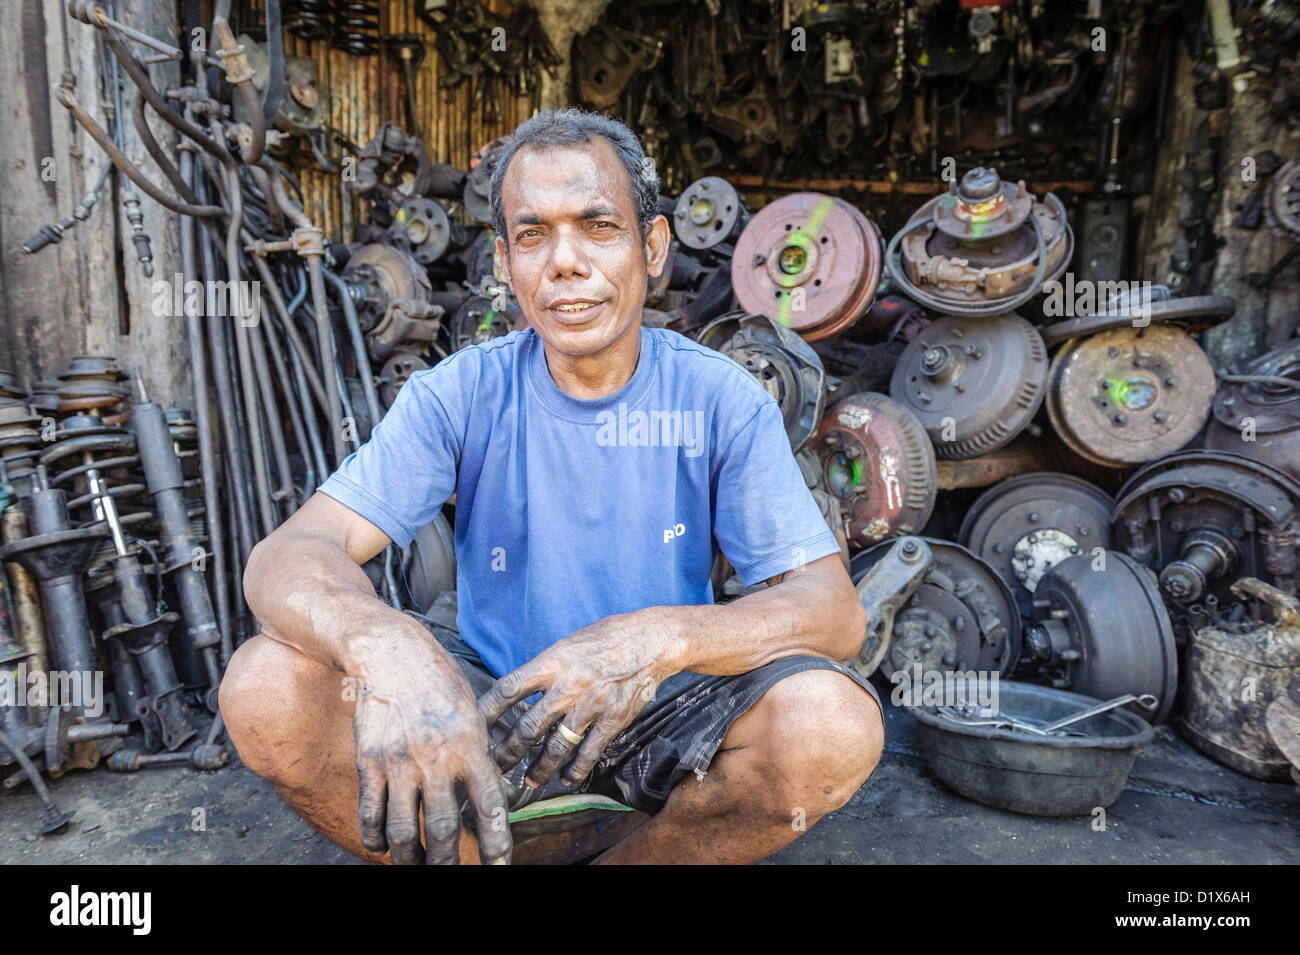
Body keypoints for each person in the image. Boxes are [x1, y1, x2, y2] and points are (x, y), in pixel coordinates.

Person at [220, 107, 884, 865]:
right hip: (490, 706)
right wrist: (385, 645)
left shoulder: (721, 399)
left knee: (832, 723)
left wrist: (654, 640)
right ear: (504, 263)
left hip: (659, 709)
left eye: (598, 226)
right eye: (533, 235)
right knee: (264, 687)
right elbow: (291, 554)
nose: (564, 261)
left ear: (654, 245)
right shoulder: (459, 393)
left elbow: (833, 612)